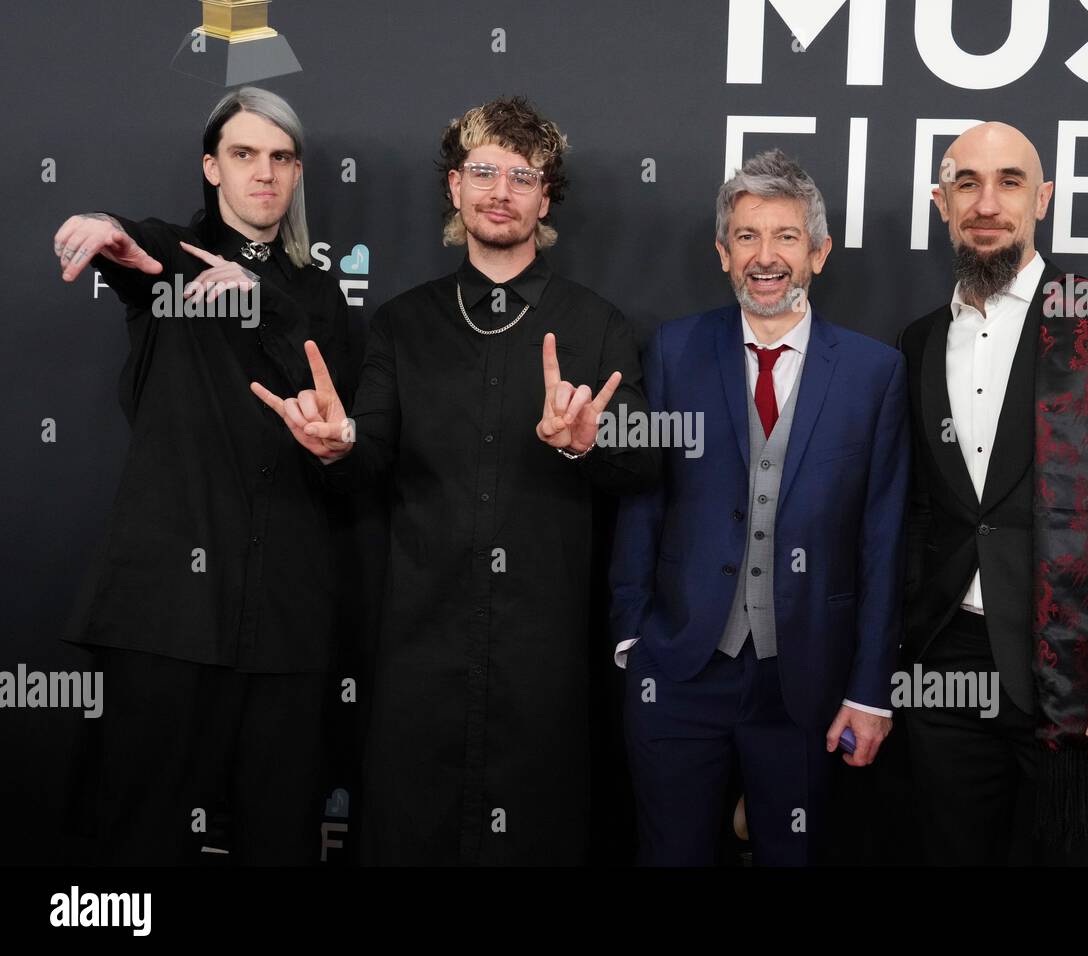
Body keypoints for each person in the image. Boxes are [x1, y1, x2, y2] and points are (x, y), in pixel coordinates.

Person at [254, 95, 658, 865]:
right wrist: (334, 448)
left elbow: (643, 461)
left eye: (522, 175)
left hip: (546, 655)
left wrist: (585, 444)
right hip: (419, 648)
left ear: (546, 197)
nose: (500, 190)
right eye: (483, 171)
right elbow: (366, 456)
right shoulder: (402, 324)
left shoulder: (599, 324)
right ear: (454, 187)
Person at [57, 87, 351, 864]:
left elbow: (344, 420)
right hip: (166, 613)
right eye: (244, 154)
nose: (265, 173)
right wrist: (108, 231)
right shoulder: (171, 263)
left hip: (287, 617)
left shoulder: (323, 298)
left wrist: (269, 307)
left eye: (282, 157)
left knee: (281, 833)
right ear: (211, 168)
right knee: (133, 831)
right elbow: (137, 253)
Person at [608, 149, 909, 865]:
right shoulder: (676, 349)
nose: (765, 256)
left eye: (785, 237)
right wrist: (632, 633)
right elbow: (644, 497)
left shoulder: (874, 373)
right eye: (746, 236)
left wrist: (871, 689)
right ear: (722, 252)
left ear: (819, 253)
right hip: (680, 669)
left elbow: (883, 538)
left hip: (807, 680)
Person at [898, 121, 1088, 865]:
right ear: (942, 202)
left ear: (1043, 199)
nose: (986, 202)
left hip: (1077, 663)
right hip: (946, 666)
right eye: (967, 183)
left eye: (1010, 182)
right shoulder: (918, 340)